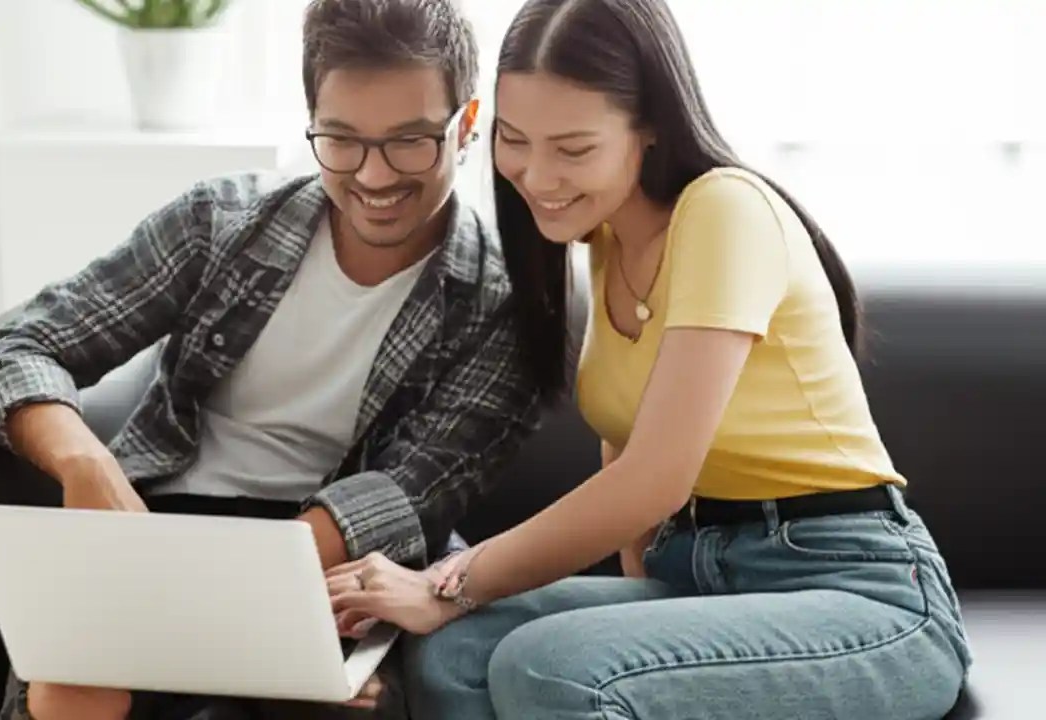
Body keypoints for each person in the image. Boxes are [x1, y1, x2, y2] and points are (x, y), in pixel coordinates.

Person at [325, 0, 974, 718]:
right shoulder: (607, 238)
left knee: (552, 669)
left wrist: (449, 581)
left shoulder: (725, 210)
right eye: (514, 139)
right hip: (700, 575)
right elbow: (626, 447)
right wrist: (631, 612)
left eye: (574, 149)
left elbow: (653, 480)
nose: (537, 175)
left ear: (651, 128)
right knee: (455, 652)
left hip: (856, 589)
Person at [0, 2, 539, 718]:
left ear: (467, 122)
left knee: (349, 703)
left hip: (345, 560)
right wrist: (87, 465)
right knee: (71, 691)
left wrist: (243, 606)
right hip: (162, 525)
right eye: (341, 139)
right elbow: (22, 349)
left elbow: (414, 488)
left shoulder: (502, 302)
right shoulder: (221, 222)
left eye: (409, 141)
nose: (373, 174)